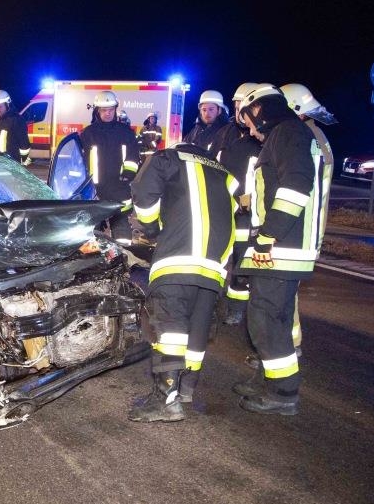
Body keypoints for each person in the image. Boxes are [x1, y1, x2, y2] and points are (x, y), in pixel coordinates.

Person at [233, 83, 327, 415]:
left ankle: (283, 392)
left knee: (266, 319)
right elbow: (275, 188)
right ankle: (269, 380)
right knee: (275, 317)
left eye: (248, 121)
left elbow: (295, 186)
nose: (250, 131)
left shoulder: (287, 133)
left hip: (281, 247)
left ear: (258, 110)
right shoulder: (289, 134)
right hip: (285, 246)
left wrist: (268, 235)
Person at [127, 141, 237, 422]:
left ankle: (166, 399)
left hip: (177, 257)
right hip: (214, 265)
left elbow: (143, 193)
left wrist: (151, 229)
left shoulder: (167, 158)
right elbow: (238, 217)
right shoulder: (224, 172)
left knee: (170, 325)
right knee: (198, 325)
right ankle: (186, 388)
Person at [217, 83, 262, 326]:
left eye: (242, 107)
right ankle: (212, 302)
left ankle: (237, 308)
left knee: (243, 263)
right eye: (235, 107)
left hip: (248, 213)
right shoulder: (225, 133)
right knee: (218, 258)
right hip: (224, 208)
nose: (238, 112)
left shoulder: (264, 138)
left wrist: (250, 200)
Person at [79, 91, 140, 247]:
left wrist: (127, 175)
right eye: (104, 110)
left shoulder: (126, 132)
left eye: (111, 110)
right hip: (94, 190)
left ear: (115, 109)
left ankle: (124, 255)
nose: (108, 113)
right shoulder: (88, 133)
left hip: (119, 189)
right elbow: (80, 160)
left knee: (121, 230)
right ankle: (95, 259)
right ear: (97, 111)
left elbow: (133, 156)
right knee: (92, 234)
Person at [0, 90, 32, 164]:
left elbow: (24, 145)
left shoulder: (17, 120)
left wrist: (22, 161)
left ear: (7, 104)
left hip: (11, 164)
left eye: (0, 106)